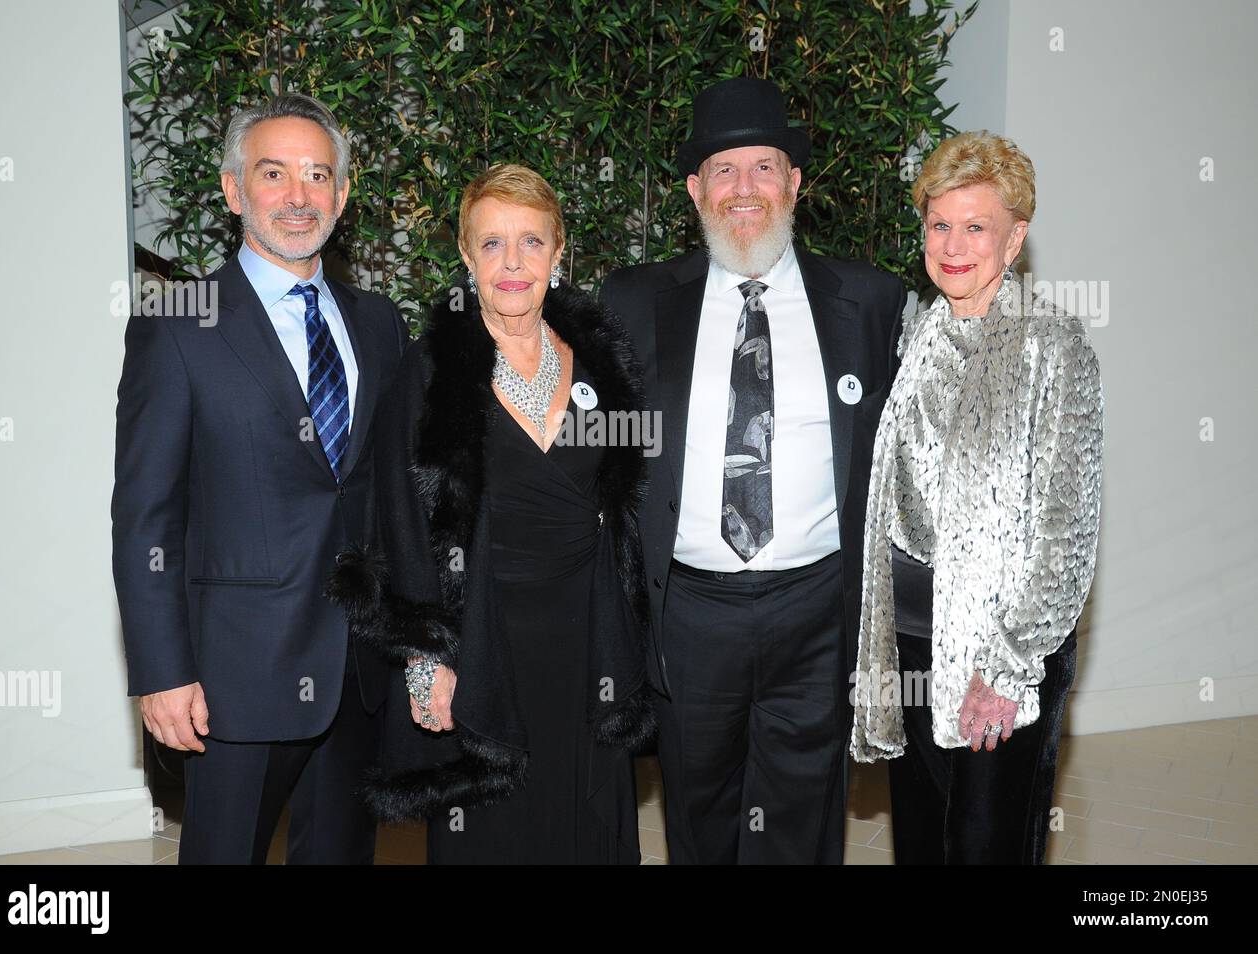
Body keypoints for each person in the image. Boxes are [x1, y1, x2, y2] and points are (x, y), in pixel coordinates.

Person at [599, 77, 906, 863]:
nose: (745, 189)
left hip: (816, 611)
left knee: (802, 826)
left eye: (763, 167)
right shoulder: (632, 303)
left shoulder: (870, 303)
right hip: (689, 614)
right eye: (724, 171)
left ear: (794, 182)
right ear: (695, 189)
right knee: (700, 824)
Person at [328, 163, 655, 864]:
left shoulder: (603, 368)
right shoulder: (427, 376)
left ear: (559, 252)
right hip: (483, 641)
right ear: (465, 256)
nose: (513, 264)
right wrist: (428, 659)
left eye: (532, 243)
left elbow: (626, 505)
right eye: (493, 244)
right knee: (490, 833)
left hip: (586, 639)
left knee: (587, 823)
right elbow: (399, 525)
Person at [111, 93, 409, 864]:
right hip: (233, 678)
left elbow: (389, 497)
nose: (299, 196)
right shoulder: (179, 324)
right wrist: (163, 672)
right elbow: (145, 517)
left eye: (318, 176)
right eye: (273, 173)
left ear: (342, 196)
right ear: (234, 190)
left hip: (356, 673)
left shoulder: (380, 323)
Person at [850, 130, 1104, 864]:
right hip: (910, 644)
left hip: (998, 659)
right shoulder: (917, 332)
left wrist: (1007, 665)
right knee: (924, 844)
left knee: (986, 850)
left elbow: (1066, 534)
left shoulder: (1052, 344)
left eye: (976, 227)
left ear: (1015, 237)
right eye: (939, 225)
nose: (954, 246)